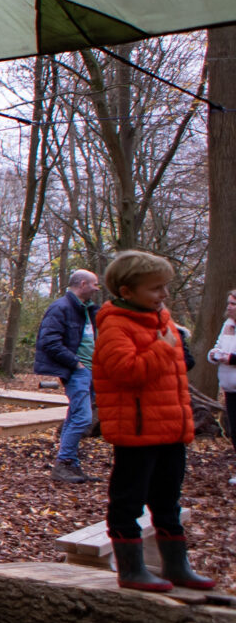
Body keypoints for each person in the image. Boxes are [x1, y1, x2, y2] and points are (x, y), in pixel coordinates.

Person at [91, 252, 208, 591]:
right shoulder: (114, 325)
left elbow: (179, 364)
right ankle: (130, 569)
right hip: (137, 432)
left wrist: (174, 347)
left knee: (168, 499)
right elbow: (127, 372)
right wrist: (163, 348)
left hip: (170, 428)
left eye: (165, 287)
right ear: (127, 291)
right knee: (129, 499)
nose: (163, 295)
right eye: (155, 289)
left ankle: (176, 565)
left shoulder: (161, 320)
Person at [35, 268, 102, 483]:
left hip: (90, 371)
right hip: (77, 371)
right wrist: (77, 364)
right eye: (94, 284)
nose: (96, 288)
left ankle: (70, 465)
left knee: (75, 416)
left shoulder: (87, 310)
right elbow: (49, 341)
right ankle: (63, 463)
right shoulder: (61, 308)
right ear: (82, 284)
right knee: (83, 418)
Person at [212, 290, 236, 484]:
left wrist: (230, 358)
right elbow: (218, 346)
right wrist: (214, 354)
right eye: (228, 303)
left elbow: (230, 355)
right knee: (233, 429)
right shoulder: (227, 325)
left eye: (233, 304)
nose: (229, 307)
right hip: (229, 386)